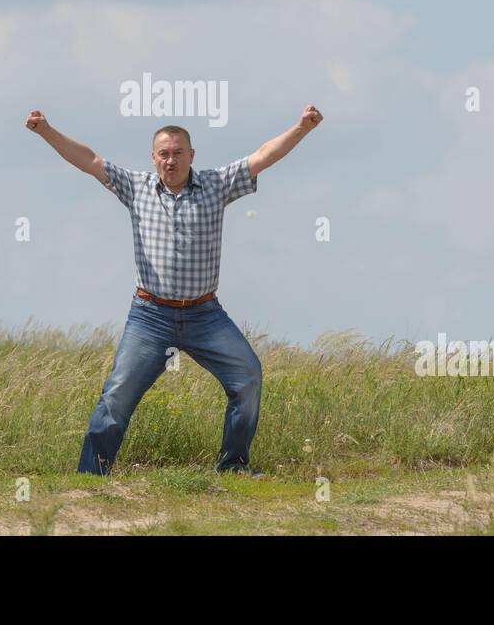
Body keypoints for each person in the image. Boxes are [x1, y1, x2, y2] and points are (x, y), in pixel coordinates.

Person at [25, 106, 324, 476]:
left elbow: (264, 156)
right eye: (164, 153)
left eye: (178, 152)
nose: (171, 160)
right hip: (150, 316)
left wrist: (301, 127)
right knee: (117, 395)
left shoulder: (216, 184)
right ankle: (91, 476)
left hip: (205, 314)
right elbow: (88, 159)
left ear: (191, 156)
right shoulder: (135, 187)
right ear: (153, 158)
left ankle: (233, 465)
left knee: (248, 376)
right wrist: (46, 131)